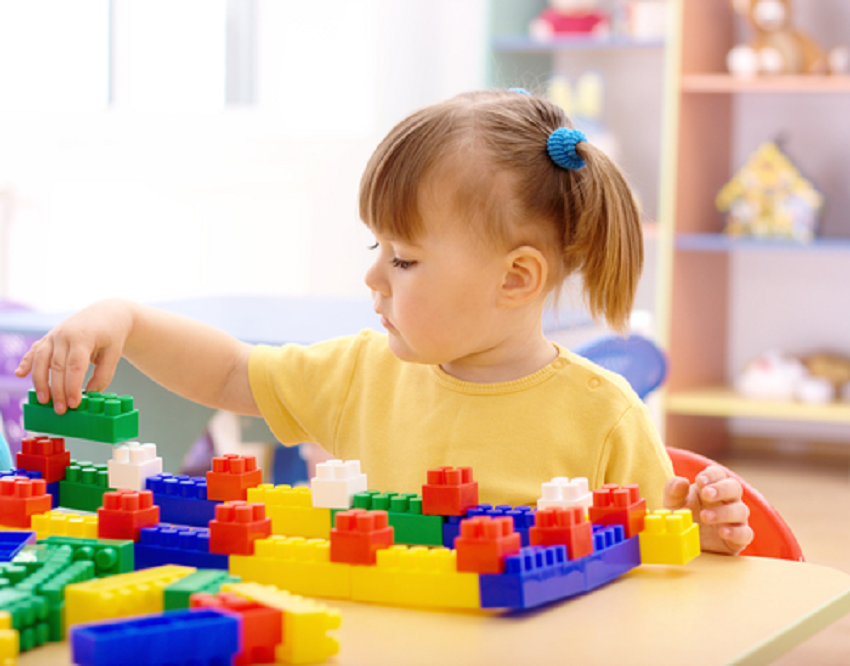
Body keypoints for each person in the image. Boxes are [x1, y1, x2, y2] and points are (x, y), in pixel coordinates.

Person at [15, 90, 752, 555]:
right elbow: (231, 371)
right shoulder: (362, 373)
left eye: (403, 260)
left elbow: (659, 560)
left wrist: (705, 534)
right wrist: (130, 318)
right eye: (378, 249)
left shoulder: (603, 417)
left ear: (516, 278)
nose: (372, 276)